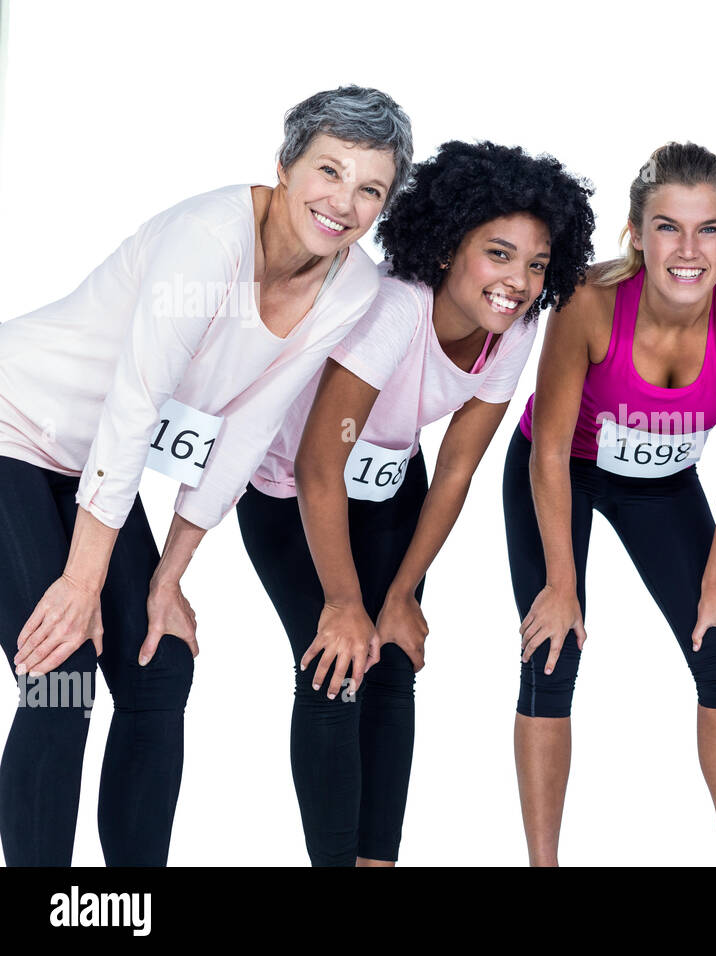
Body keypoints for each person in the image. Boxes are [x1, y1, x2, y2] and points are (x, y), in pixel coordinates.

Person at [0, 85, 412, 866]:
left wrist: (168, 578)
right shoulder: (208, 237)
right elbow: (134, 403)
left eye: (370, 190)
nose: (344, 203)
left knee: (160, 672)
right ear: (286, 165)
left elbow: (250, 427)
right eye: (329, 171)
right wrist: (83, 583)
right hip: (12, 423)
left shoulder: (349, 285)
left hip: (87, 468)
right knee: (62, 678)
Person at [237, 141, 595, 866]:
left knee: (391, 658)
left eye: (534, 264)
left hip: (392, 485)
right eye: (498, 255)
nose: (518, 282)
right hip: (290, 492)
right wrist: (344, 600)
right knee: (335, 667)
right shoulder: (396, 308)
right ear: (444, 248)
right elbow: (318, 464)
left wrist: (399, 593)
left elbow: (457, 468)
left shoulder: (516, 326)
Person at [505, 142, 716, 866]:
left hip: (663, 484)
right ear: (636, 233)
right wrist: (563, 588)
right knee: (551, 651)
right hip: (562, 468)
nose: (689, 250)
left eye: (709, 229)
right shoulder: (590, 300)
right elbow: (547, 450)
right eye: (668, 227)